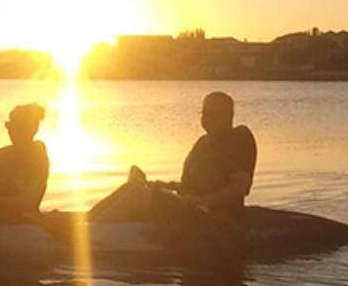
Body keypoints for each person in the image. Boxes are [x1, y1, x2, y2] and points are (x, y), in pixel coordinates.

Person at [89, 91, 257, 232]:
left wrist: (201, 202)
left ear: (229, 116)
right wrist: (164, 186)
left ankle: (91, 236)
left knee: (136, 196)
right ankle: (84, 224)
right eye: (205, 113)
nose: (208, 118)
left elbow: (239, 188)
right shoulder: (203, 143)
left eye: (215, 113)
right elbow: (191, 187)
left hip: (215, 219)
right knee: (133, 186)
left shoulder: (239, 138)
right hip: (192, 209)